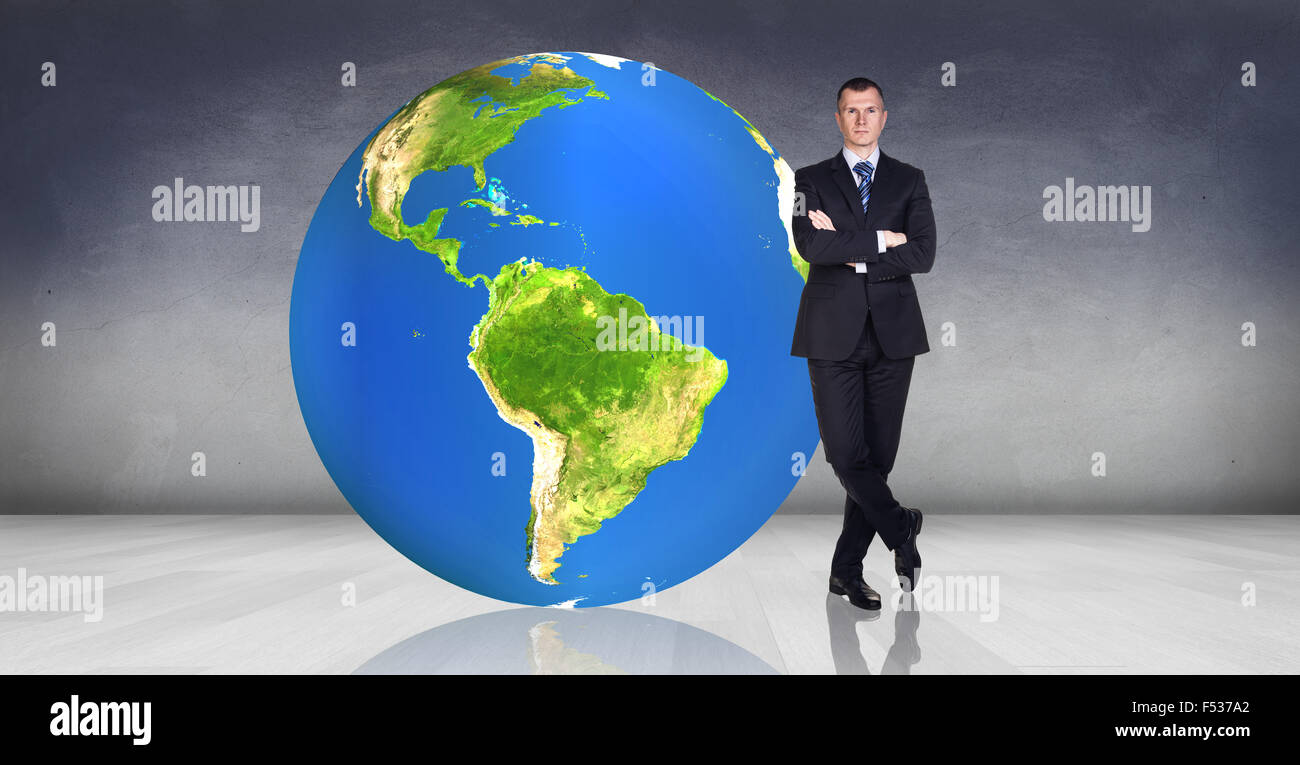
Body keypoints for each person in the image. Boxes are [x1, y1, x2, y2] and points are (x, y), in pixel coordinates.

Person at [789, 77, 935, 610]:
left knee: (879, 459)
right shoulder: (810, 179)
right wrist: (880, 240)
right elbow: (810, 244)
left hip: (894, 337)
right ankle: (902, 529)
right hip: (832, 334)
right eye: (851, 111)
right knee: (848, 456)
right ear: (838, 118)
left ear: (884, 116)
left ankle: (845, 573)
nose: (861, 120)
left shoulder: (909, 179)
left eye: (870, 110)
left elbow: (922, 254)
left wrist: (846, 247)